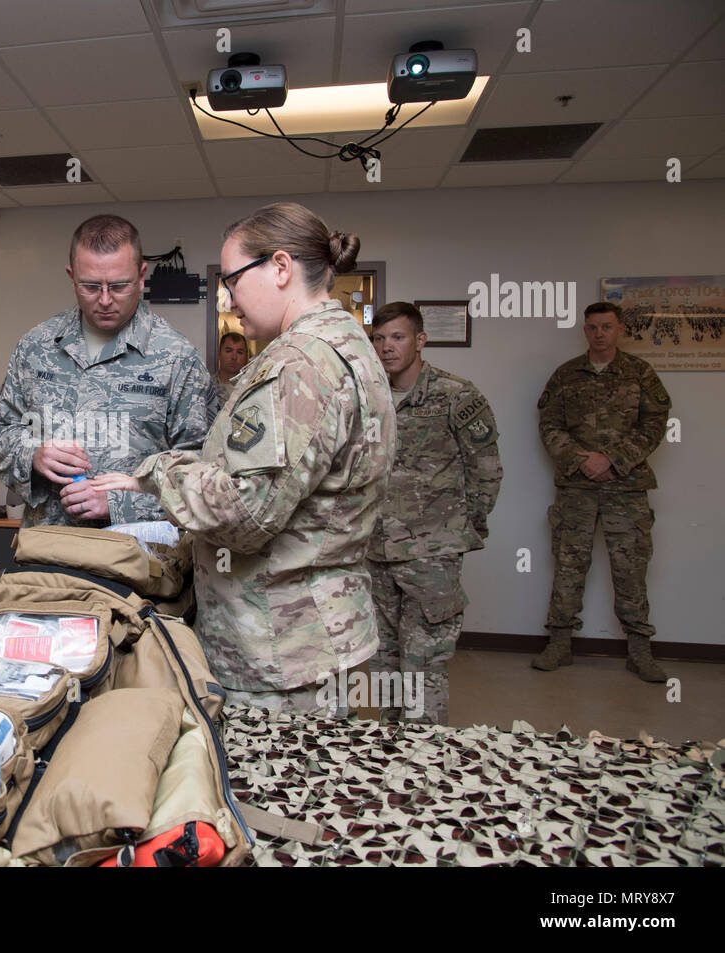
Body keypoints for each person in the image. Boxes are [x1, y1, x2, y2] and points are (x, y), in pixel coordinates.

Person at [90, 202, 395, 715]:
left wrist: (156, 472)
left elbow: (243, 516)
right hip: (313, 636)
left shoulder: (298, 365)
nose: (228, 299)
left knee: (268, 793)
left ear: (280, 268)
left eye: (232, 280)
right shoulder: (348, 346)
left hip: (276, 651)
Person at [0, 214, 217, 528]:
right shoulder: (36, 347)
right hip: (48, 553)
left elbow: (206, 469)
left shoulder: (177, 358)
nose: (105, 300)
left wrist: (123, 503)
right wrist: (33, 455)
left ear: (142, 274)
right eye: (91, 287)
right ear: (71, 277)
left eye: (119, 286)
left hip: (136, 560)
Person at [366, 302, 502, 725]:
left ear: (420, 341)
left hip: (432, 557)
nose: (387, 347)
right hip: (377, 551)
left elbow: (487, 470)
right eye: (379, 338)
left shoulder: (455, 395)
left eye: (398, 337)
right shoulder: (370, 396)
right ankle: (388, 753)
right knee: (384, 661)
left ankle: (425, 764)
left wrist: (457, 532)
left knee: (423, 664)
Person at [534, 301, 671, 681]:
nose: (599, 334)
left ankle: (639, 650)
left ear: (619, 329)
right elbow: (548, 424)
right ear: (585, 330)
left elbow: (655, 424)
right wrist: (581, 460)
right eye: (592, 327)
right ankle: (559, 644)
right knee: (567, 567)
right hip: (576, 489)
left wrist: (612, 459)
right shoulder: (565, 376)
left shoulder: (640, 374)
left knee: (630, 570)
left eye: (606, 327)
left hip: (625, 489)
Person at [213, 331, 250, 405]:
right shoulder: (208, 387)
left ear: (246, 356)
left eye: (239, 352)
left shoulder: (251, 387)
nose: (234, 357)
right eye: (228, 351)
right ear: (219, 354)